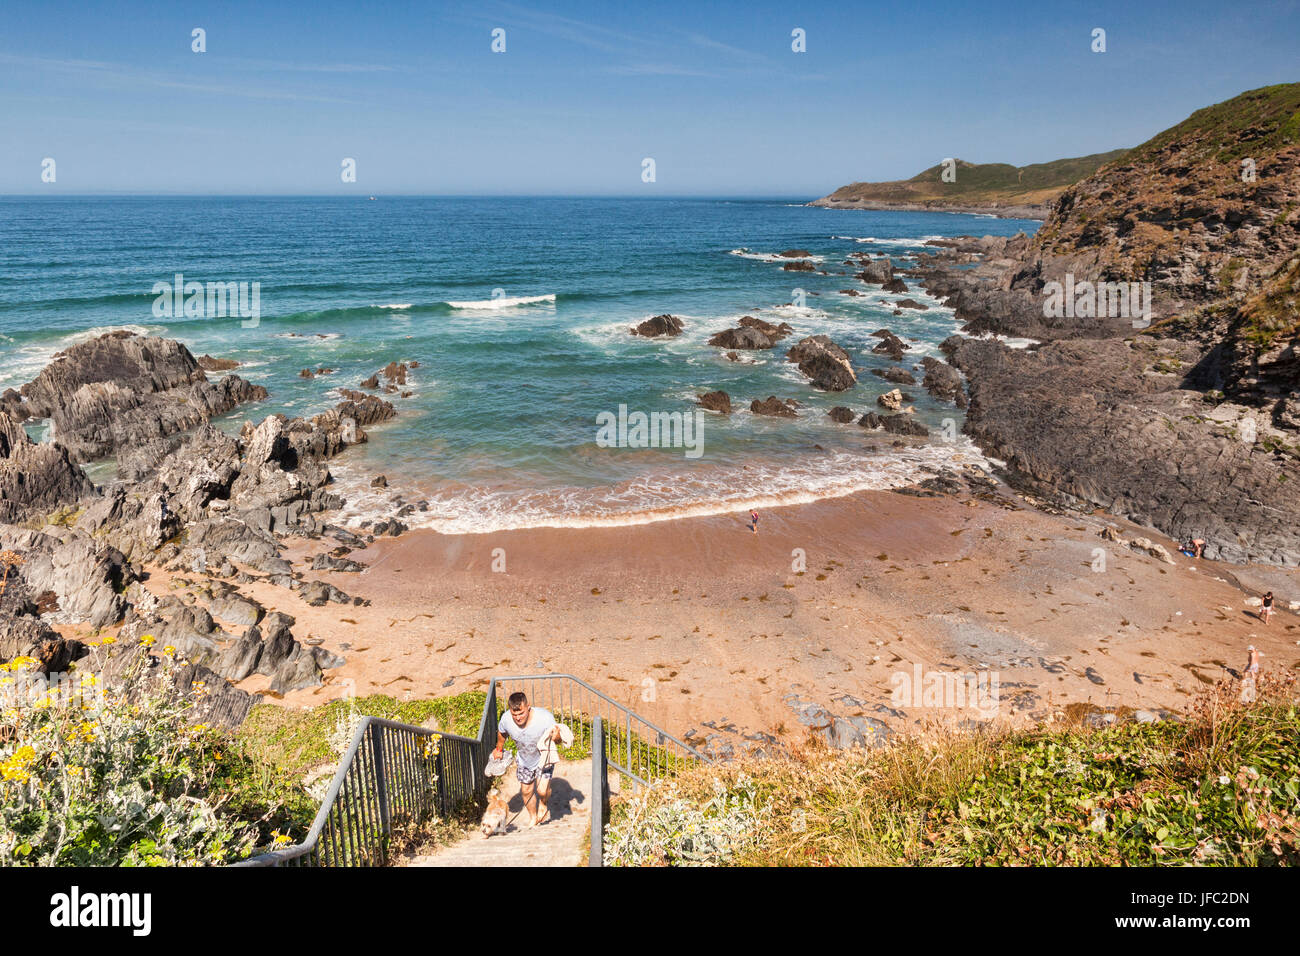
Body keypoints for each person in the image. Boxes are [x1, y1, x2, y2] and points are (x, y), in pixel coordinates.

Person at [493, 692, 562, 827]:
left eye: (521, 713)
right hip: (524, 759)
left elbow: (558, 740)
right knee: (526, 791)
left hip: (544, 758)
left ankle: (543, 802)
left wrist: (557, 737)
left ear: (528, 707)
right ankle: (533, 817)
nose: (518, 718)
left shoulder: (544, 718)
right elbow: (502, 732)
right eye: (515, 715)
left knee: (542, 790)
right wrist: (499, 749)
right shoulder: (506, 719)